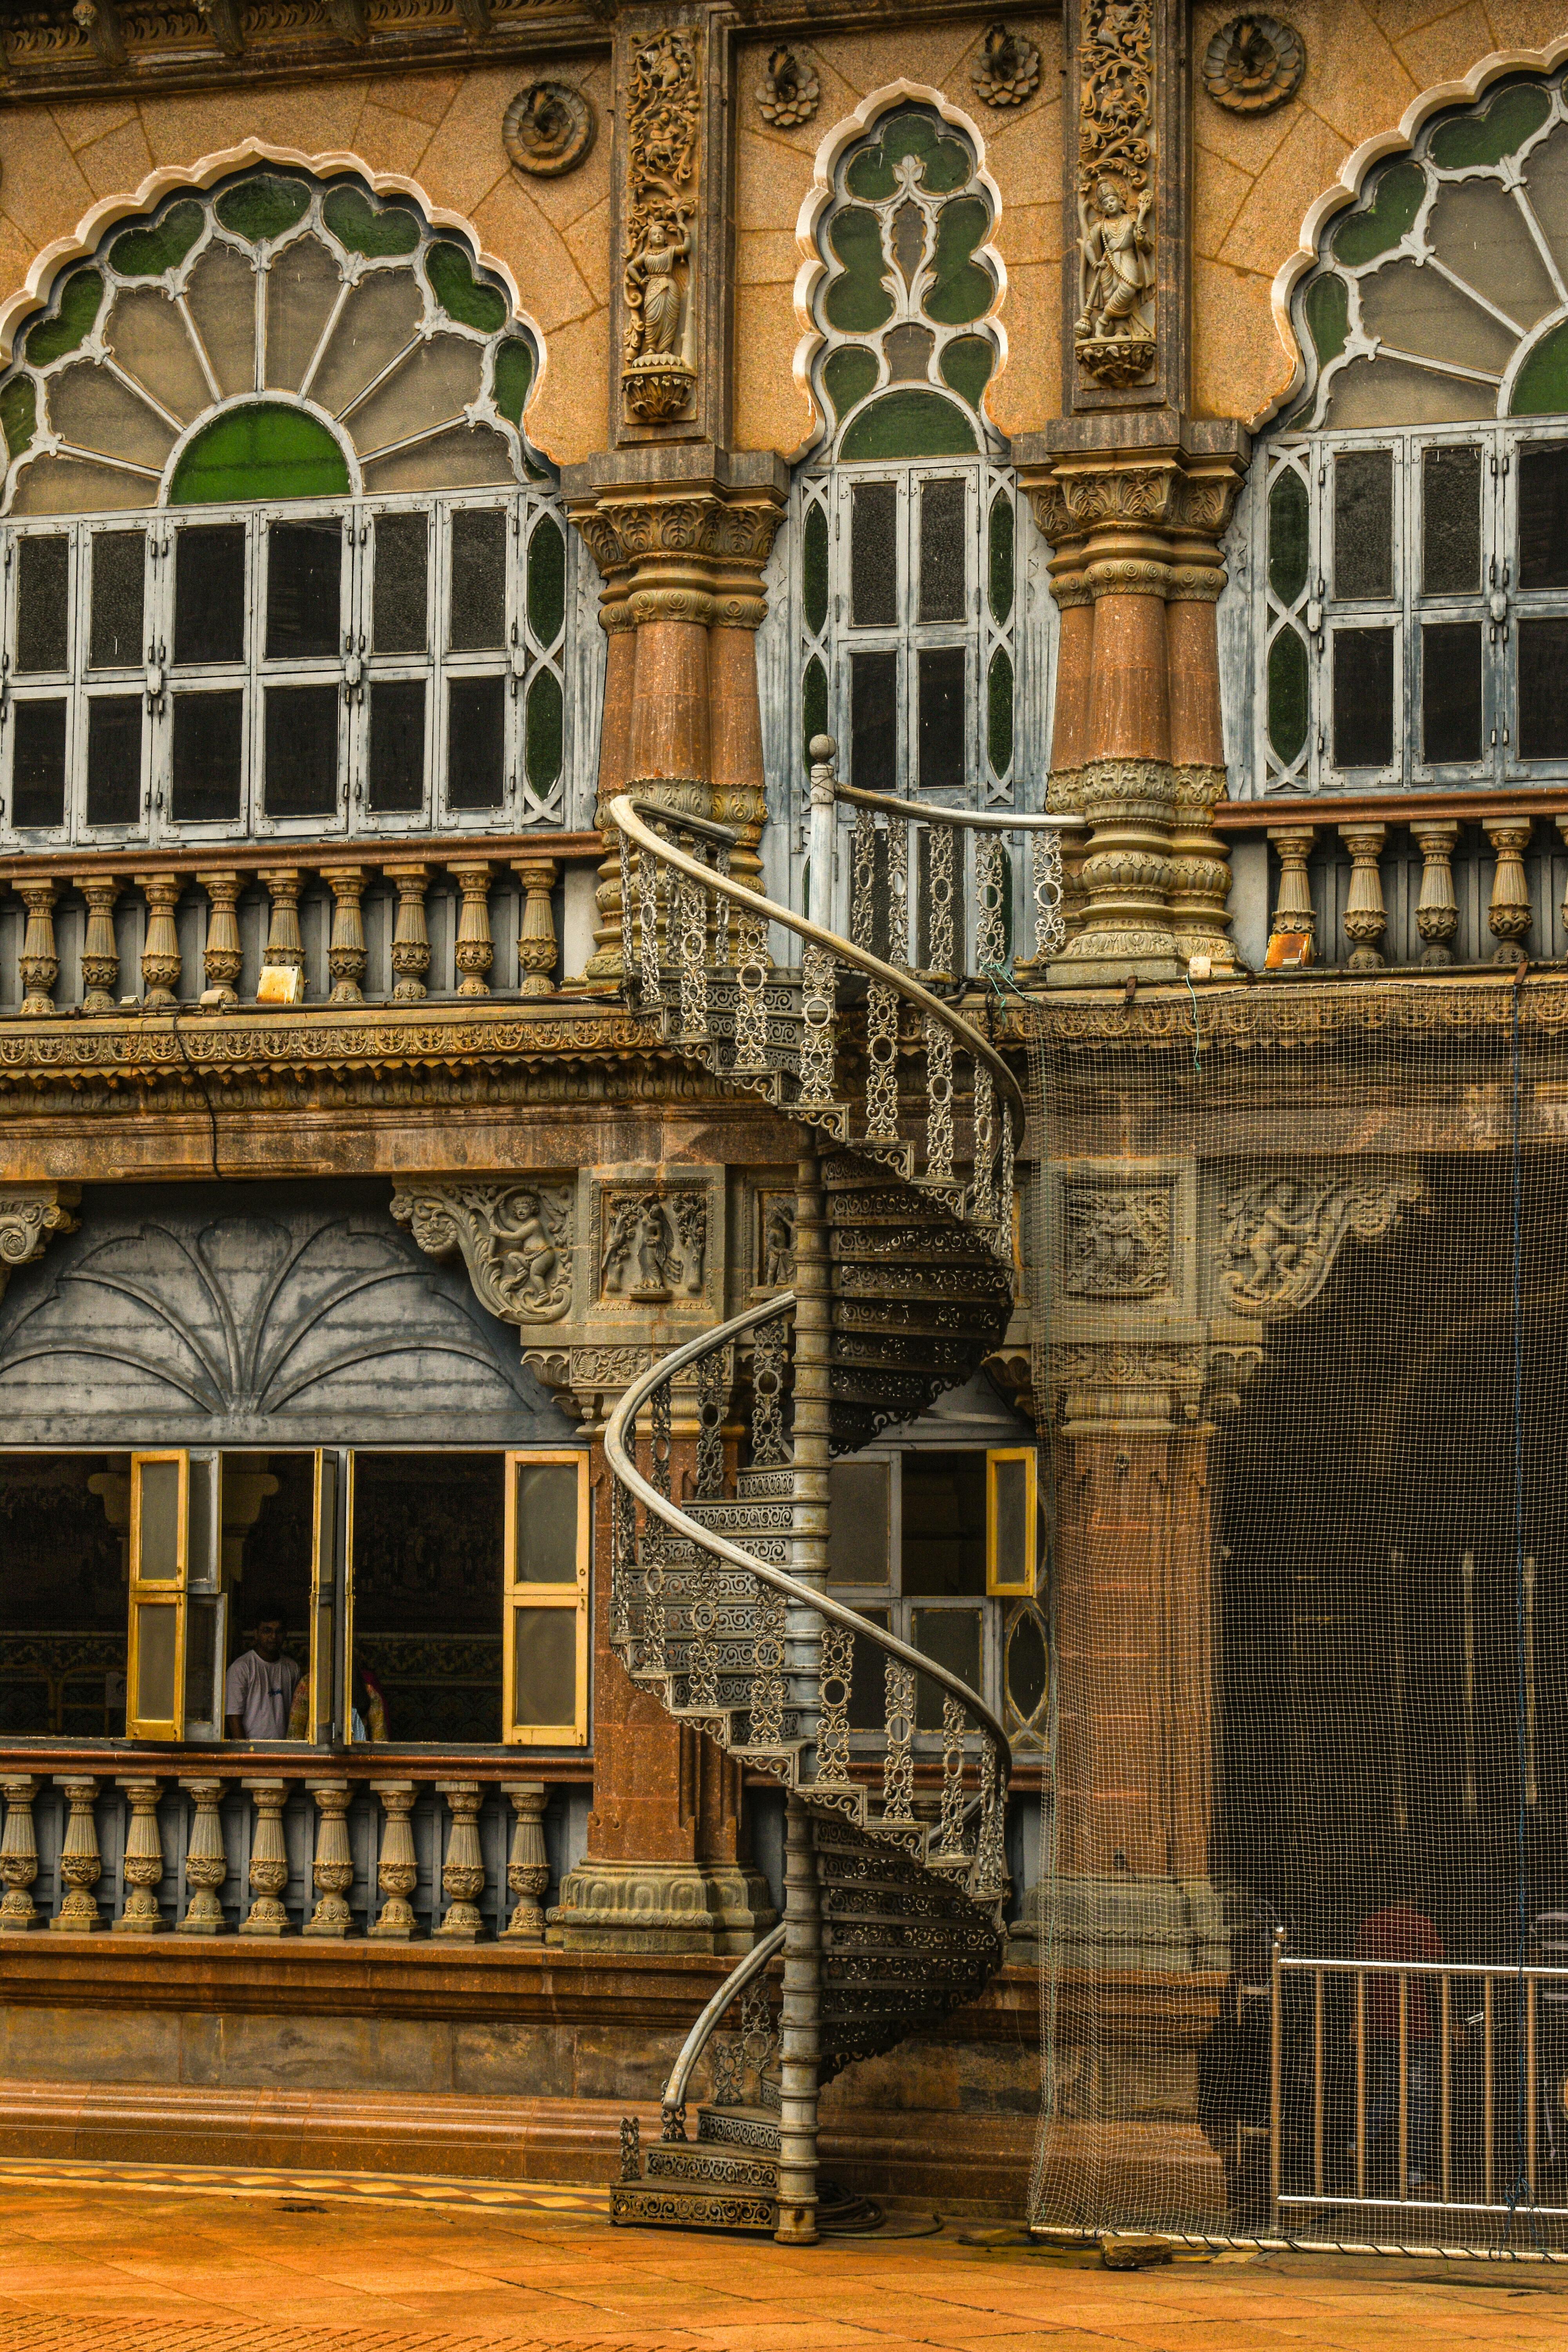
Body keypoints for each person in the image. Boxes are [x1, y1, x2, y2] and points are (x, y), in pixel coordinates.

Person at [1354, 1891, 1445, 2190]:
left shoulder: (1370, 1925)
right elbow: (1437, 1976)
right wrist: (1450, 2017)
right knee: (1419, 2098)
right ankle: (1414, 2172)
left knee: (1394, 2088)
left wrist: (1359, 2018)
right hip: (1415, 2024)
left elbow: (1360, 1975)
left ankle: (1361, 2142)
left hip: (1381, 2023)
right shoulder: (1420, 1924)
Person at [223, 1615, 301, 1741]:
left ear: (285, 1634)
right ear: (256, 1634)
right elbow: (234, 1718)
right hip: (253, 1749)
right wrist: (244, 1751)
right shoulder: (241, 1668)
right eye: (267, 1631)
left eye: (279, 1631)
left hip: (286, 1748)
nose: (273, 1637)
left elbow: (298, 1713)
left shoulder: (292, 1668)